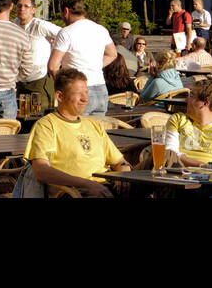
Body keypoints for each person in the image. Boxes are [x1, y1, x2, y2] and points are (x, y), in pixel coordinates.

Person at [21, 68, 131, 197]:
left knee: (155, 172)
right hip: (76, 191)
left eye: (86, 92)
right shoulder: (47, 125)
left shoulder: (93, 125)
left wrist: (123, 174)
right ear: (60, 96)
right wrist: (86, 184)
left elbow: (119, 161)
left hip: (108, 186)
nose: (85, 99)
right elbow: (41, 170)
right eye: (79, 94)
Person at [48, 0, 118, 115]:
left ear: (66, 11)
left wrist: (65, 83)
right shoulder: (100, 29)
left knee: (76, 132)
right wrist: (94, 66)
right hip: (100, 88)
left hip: (78, 90)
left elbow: (52, 66)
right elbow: (112, 54)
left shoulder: (66, 32)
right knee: (95, 132)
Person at [16, 0, 59, 110]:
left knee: (39, 117)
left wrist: (57, 56)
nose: (22, 9)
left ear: (33, 10)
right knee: (22, 117)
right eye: (19, 6)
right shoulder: (13, 25)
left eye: (26, 6)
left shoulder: (40, 25)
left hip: (39, 80)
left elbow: (65, 35)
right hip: (20, 81)